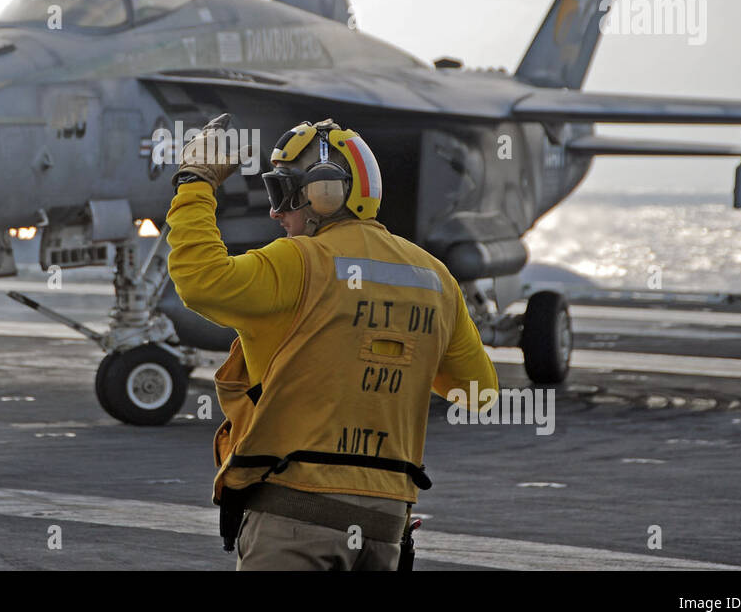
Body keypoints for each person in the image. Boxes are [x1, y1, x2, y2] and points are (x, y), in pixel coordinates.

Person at [166, 114, 497, 571]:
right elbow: (478, 393)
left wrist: (194, 183)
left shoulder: (300, 262)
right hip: (385, 525)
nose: (275, 212)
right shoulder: (434, 276)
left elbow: (201, 281)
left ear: (323, 192)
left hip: (295, 515)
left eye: (283, 194)